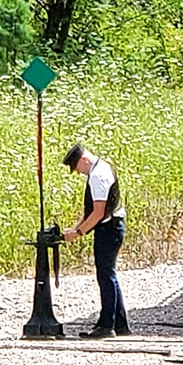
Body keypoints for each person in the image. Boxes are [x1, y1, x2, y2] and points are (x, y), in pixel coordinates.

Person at [62, 144, 131, 338]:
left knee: (106, 276)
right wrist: (75, 228)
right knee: (109, 274)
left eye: (77, 168)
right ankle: (120, 323)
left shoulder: (97, 176)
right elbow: (92, 212)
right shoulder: (102, 168)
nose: (78, 173)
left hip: (109, 229)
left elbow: (98, 212)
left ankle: (106, 325)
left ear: (83, 160)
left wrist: (79, 232)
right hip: (112, 227)